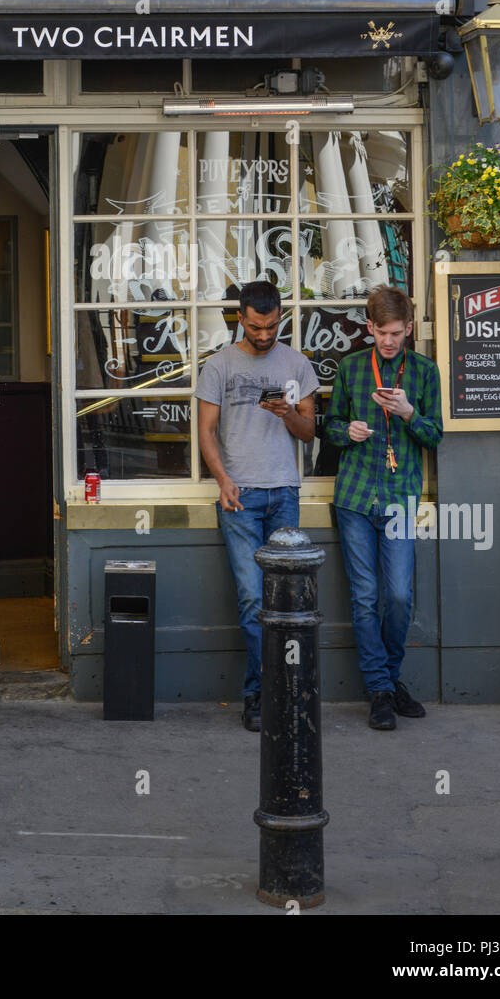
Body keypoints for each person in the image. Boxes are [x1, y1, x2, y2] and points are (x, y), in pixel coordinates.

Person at [195, 280, 319, 731]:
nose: (264, 335)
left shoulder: (297, 363)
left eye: (271, 327)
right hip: (240, 496)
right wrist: (223, 481)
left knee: (284, 601)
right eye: (255, 327)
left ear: (279, 318)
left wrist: (288, 413)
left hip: (284, 491)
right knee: (252, 600)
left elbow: (309, 433)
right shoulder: (219, 365)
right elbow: (206, 431)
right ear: (240, 318)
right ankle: (263, 693)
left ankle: (269, 692)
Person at [323, 286, 443, 731]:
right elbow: (329, 425)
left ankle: (389, 681)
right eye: (381, 332)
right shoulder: (352, 367)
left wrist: (410, 413)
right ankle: (379, 689)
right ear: (369, 327)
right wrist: (345, 431)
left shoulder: (426, 371)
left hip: (400, 498)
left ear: (409, 328)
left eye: (396, 333)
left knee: (397, 597)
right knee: (365, 597)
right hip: (354, 497)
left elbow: (435, 436)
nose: (389, 342)